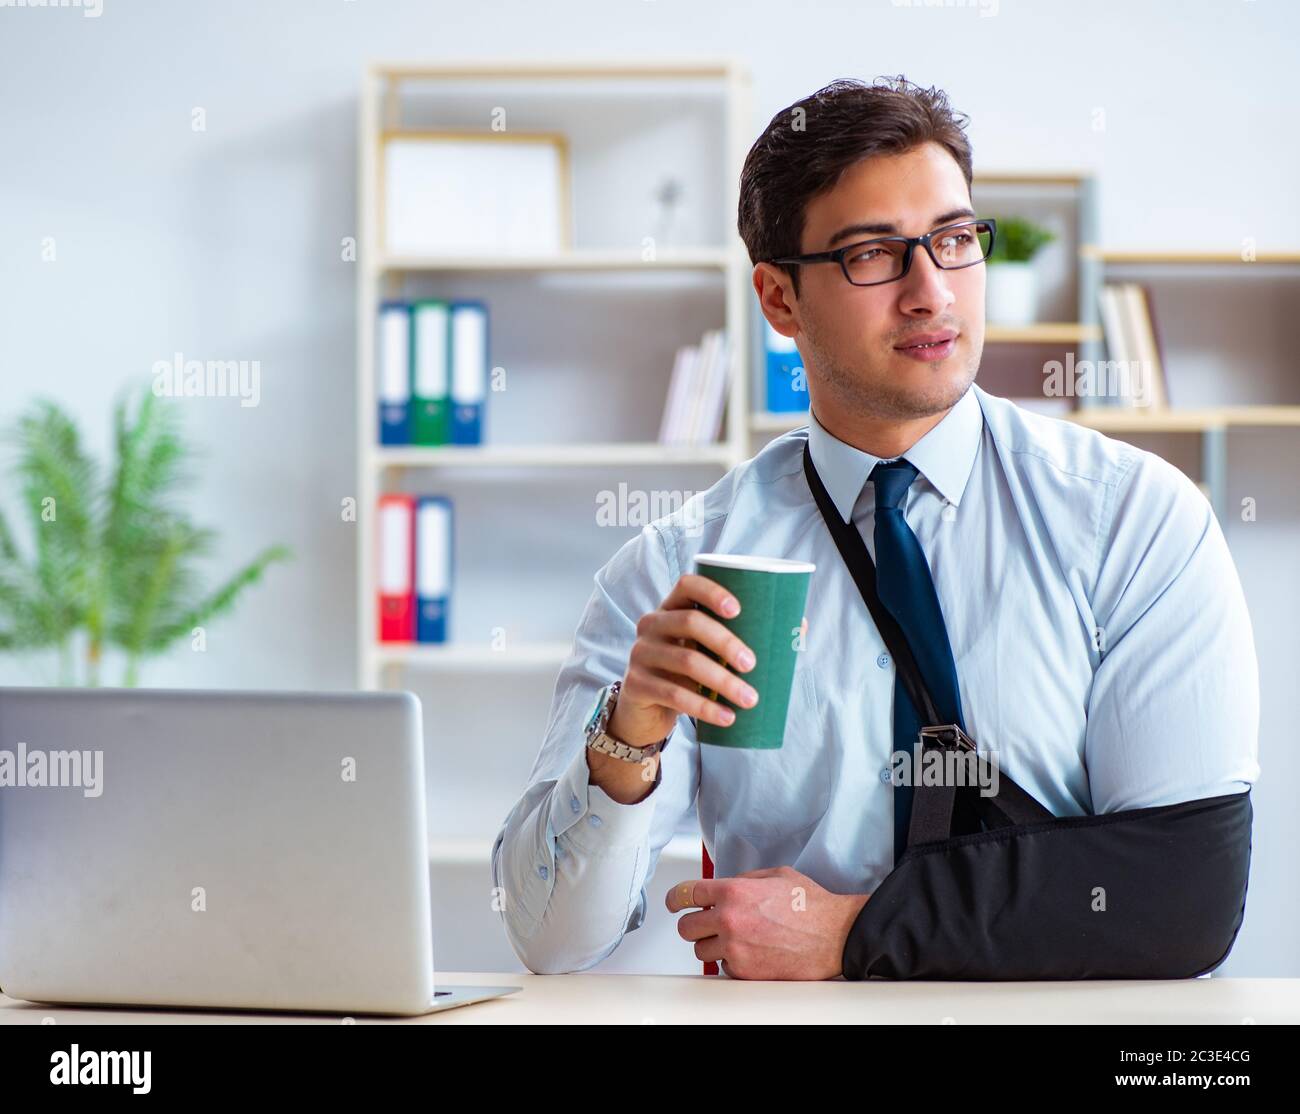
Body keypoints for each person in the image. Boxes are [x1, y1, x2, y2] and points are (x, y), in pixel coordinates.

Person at [491, 76, 1259, 979]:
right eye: (872, 255)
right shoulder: (674, 569)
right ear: (779, 299)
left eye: (955, 239)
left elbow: (1184, 893)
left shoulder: (1133, 520)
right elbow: (547, 937)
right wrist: (631, 737)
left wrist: (855, 934)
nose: (931, 291)